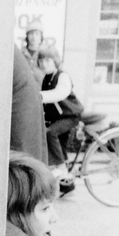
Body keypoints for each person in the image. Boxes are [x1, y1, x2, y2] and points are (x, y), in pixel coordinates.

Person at [38, 46, 83, 184]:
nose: (44, 63)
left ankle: (62, 168)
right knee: (60, 144)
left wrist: (39, 96)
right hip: (59, 117)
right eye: (41, 60)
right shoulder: (47, 78)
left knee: (50, 133)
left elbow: (59, 93)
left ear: (55, 61)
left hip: (70, 115)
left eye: (48, 60)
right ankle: (67, 182)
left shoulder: (62, 76)